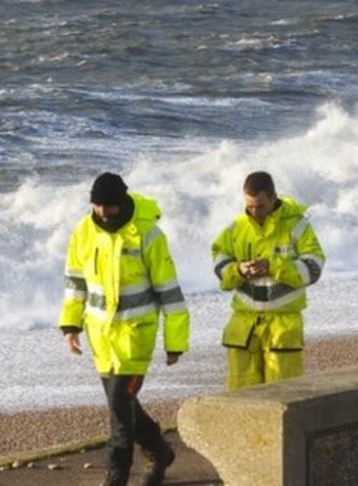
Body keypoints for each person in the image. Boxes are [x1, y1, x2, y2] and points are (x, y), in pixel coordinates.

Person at [59, 172, 189, 486]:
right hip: (101, 339)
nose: (103, 212)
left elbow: (169, 292)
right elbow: (75, 283)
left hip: (135, 339)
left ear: (123, 203)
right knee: (124, 405)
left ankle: (116, 477)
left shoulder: (148, 235)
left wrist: (175, 342)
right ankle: (159, 450)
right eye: (97, 206)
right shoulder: (83, 231)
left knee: (119, 411)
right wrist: (70, 324)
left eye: (109, 207)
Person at [211, 171, 325, 390]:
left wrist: (273, 266)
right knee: (240, 399)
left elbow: (314, 267)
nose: (255, 212)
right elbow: (219, 260)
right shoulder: (236, 228)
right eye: (250, 206)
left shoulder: (297, 226)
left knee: (284, 395)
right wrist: (239, 270)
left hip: (282, 326)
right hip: (243, 326)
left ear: (273, 198)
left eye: (260, 206)